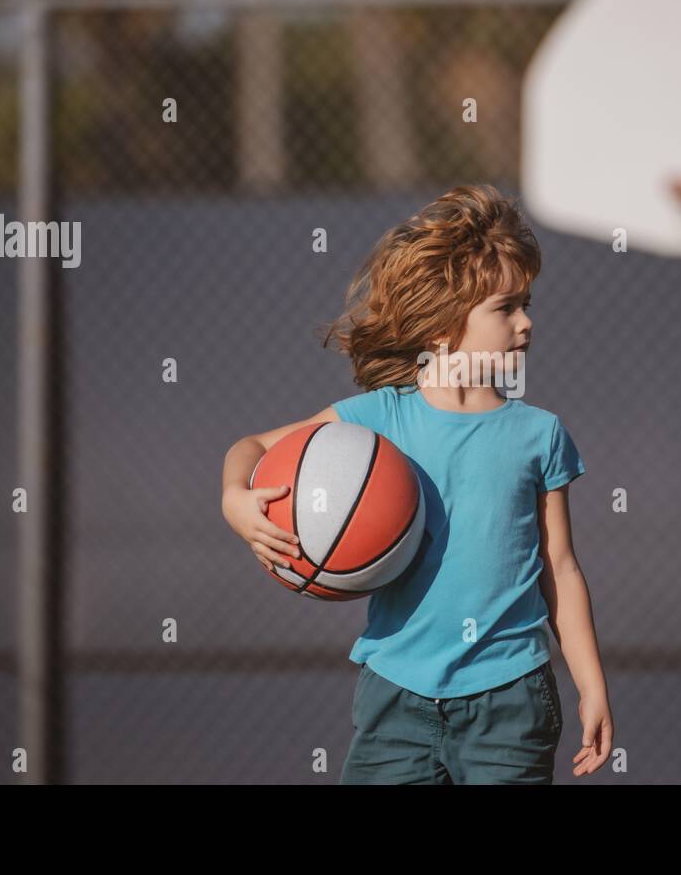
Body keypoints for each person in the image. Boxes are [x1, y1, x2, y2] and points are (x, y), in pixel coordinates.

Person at [220, 184, 612, 783]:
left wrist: (591, 686)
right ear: (442, 328)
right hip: (395, 697)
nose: (526, 322)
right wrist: (234, 500)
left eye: (526, 303)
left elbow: (560, 567)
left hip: (511, 701)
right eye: (505, 308)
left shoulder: (540, 435)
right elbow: (249, 448)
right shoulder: (378, 419)